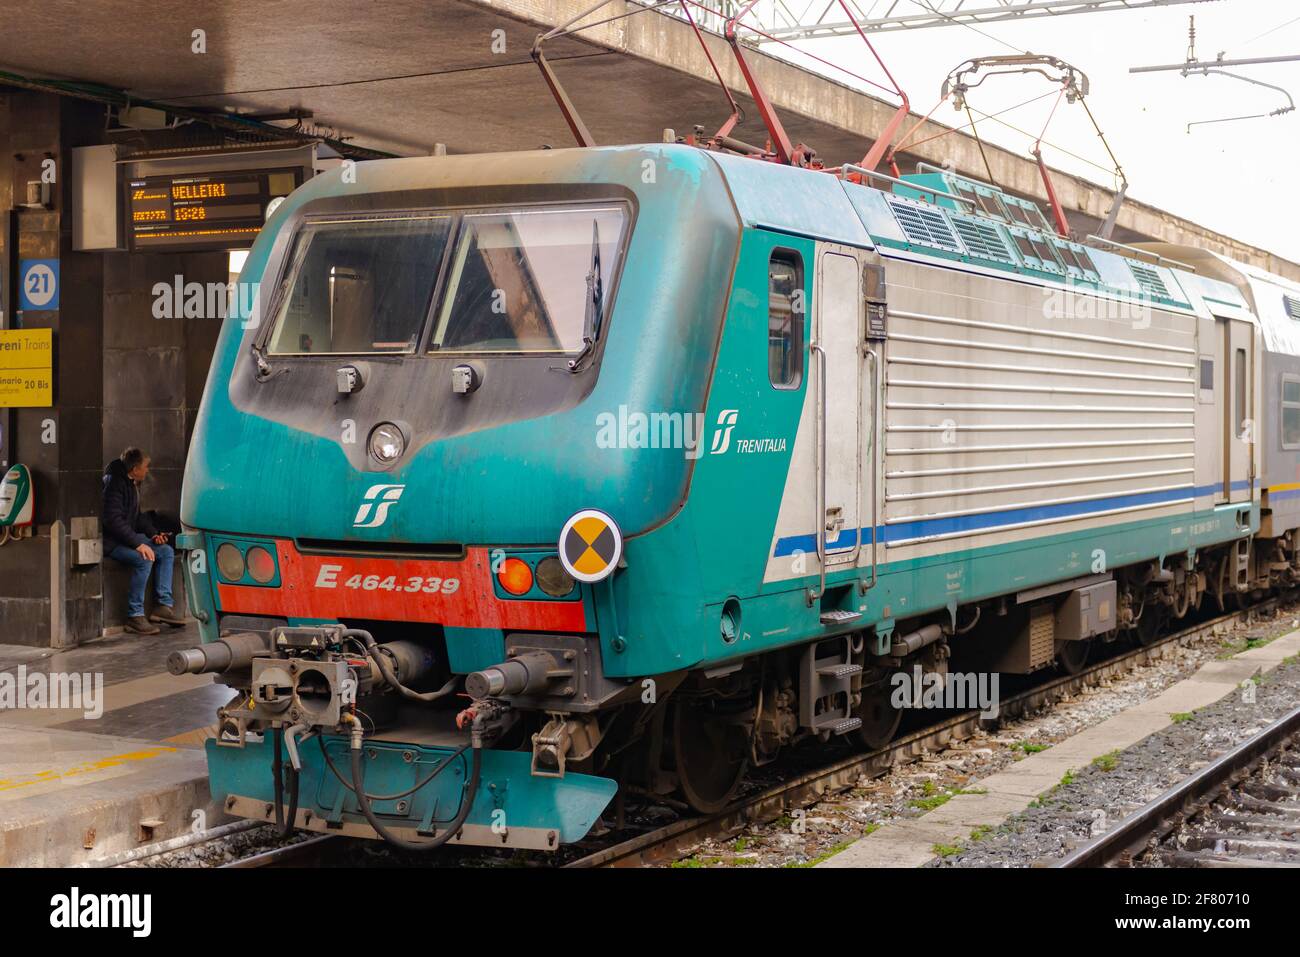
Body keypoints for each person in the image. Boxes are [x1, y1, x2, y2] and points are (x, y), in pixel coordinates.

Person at [103, 448, 185, 634]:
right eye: (145, 467)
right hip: (112, 543)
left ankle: (163, 607)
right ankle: (135, 616)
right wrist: (138, 544)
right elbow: (113, 521)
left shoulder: (131, 483)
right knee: (144, 558)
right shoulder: (114, 484)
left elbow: (137, 517)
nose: (148, 471)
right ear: (134, 469)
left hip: (127, 539)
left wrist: (152, 534)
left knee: (165, 551)